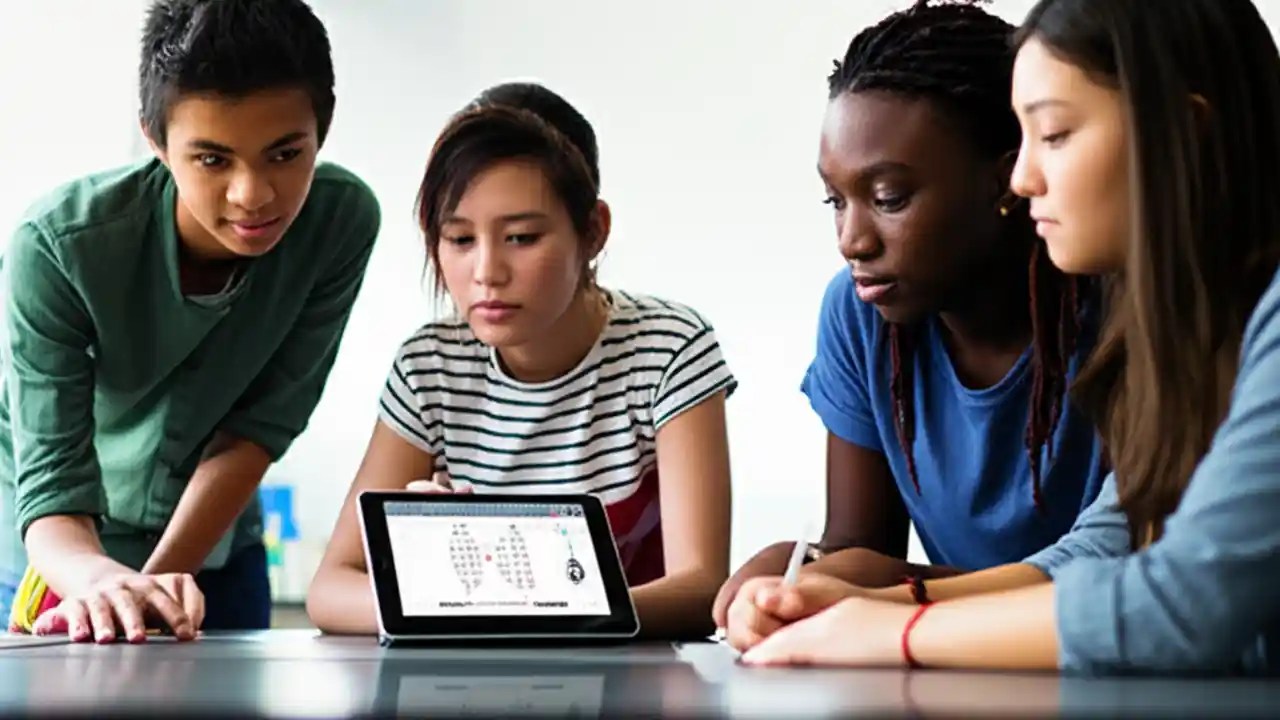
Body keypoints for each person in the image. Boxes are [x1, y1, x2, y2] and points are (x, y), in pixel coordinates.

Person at [730, 0, 1280, 676]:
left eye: (1053, 135)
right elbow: (1101, 548)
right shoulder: (1202, 327)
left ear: (1186, 134)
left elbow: (1184, 601)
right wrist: (877, 603)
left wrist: (896, 632)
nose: (1022, 179)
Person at [712, 0, 1106, 631]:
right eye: (835, 200)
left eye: (888, 197)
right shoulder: (859, 313)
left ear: (1012, 179)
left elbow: (1134, 574)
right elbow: (862, 549)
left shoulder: (1119, 307)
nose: (851, 239)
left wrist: (894, 587)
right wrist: (794, 574)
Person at [1, 0, 379, 642]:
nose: (252, 194)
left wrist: (158, 587)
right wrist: (104, 586)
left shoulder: (340, 223)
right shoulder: (58, 248)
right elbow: (53, 488)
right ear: (155, 139)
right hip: (62, 560)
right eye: (212, 159)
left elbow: (259, 427)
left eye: (285, 154)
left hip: (213, 554)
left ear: (324, 124)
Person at [306, 82, 735, 639]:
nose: (486, 271)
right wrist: (423, 577)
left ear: (593, 231)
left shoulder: (668, 348)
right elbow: (329, 588)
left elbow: (701, 587)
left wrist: (504, 605)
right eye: (459, 239)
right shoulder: (430, 365)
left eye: (522, 237)